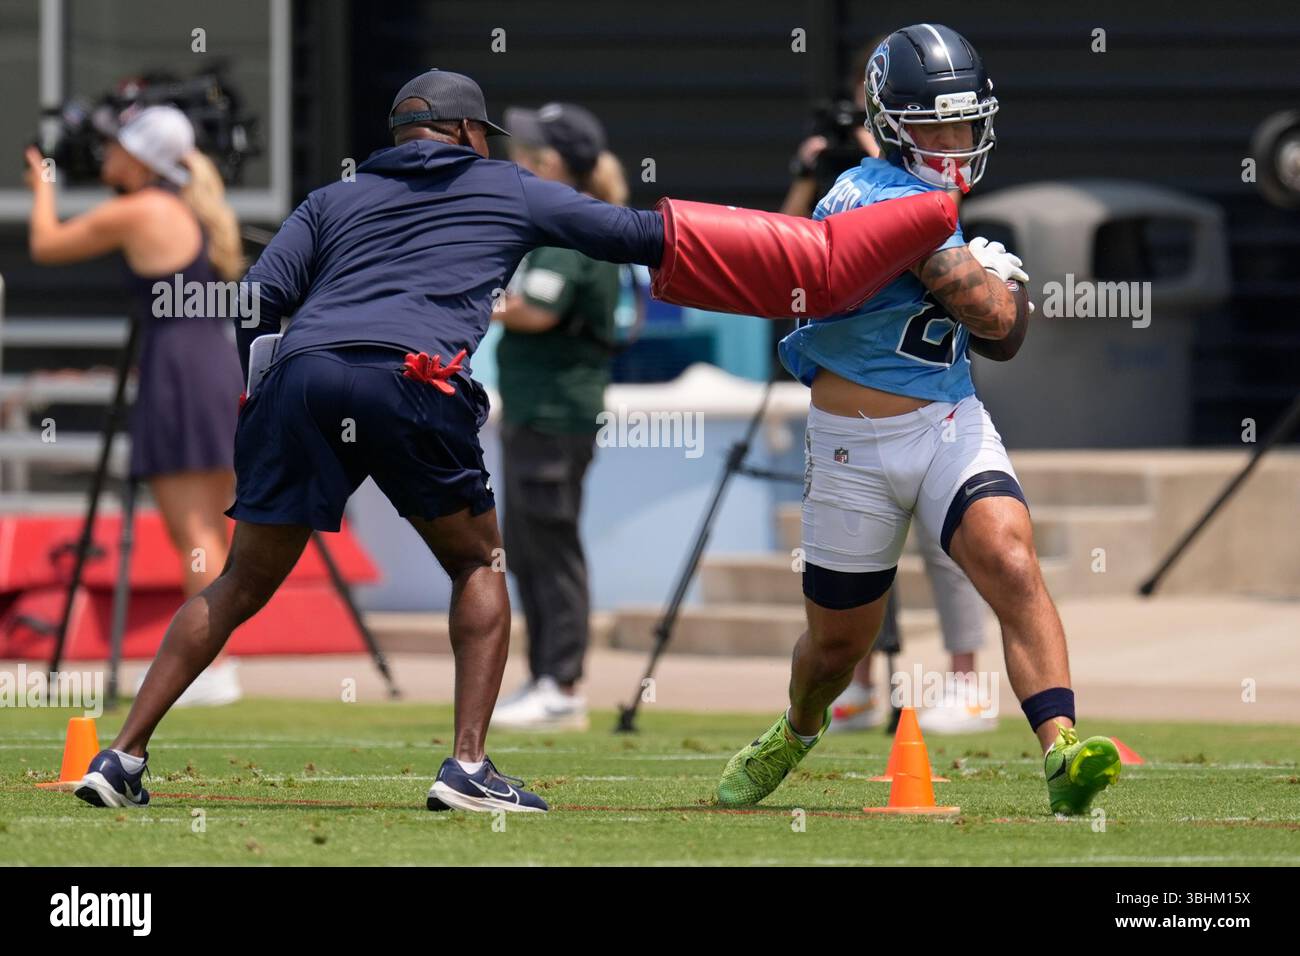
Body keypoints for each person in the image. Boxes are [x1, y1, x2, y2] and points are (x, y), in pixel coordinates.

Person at [70, 68, 958, 814]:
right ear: (463, 132)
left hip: (301, 376)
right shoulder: (504, 186)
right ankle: (466, 767)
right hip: (412, 377)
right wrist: (792, 253)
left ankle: (121, 758)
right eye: (484, 135)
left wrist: (261, 398)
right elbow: (640, 237)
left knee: (237, 580)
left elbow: (258, 300)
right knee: (477, 566)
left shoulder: (332, 197)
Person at [717, 24, 1122, 815]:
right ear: (895, 123)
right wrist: (996, 279)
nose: (954, 138)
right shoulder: (869, 196)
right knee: (837, 650)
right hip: (851, 447)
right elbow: (996, 320)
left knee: (1011, 560)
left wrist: (995, 285)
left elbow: (1000, 344)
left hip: (946, 421)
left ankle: (1063, 751)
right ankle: (797, 728)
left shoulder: (936, 206)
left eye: (965, 121)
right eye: (936, 121)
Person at [779, 43, 995, 735]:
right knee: (861, 558)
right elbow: (789, 250)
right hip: (858, 373)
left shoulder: (924, 176)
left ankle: (967, 680)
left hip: (927, 376)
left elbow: (936, 213)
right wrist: (816, 170)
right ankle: (861, 682)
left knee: (951, 541)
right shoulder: (851, 180)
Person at [25, 105, 245, 706]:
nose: (107, 157)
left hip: (179, 371)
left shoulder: (145, 207)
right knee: (210, 530)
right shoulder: (183, 205)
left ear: (142, 158)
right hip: (209, 365)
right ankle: (215, 662)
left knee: (195, 531)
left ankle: (212, 668)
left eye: (118, 147)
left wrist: (41, 186)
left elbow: (46, 244)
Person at [490, 103, 627, 731]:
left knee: (550, 544)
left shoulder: (572, 226)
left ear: (549, 164)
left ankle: (564, 683)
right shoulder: (556, 222)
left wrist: (464, 299)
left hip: (555, 414)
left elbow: (536, 310)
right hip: (532, 411)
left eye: (527, 151)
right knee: (525, 545)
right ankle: (545, 676)